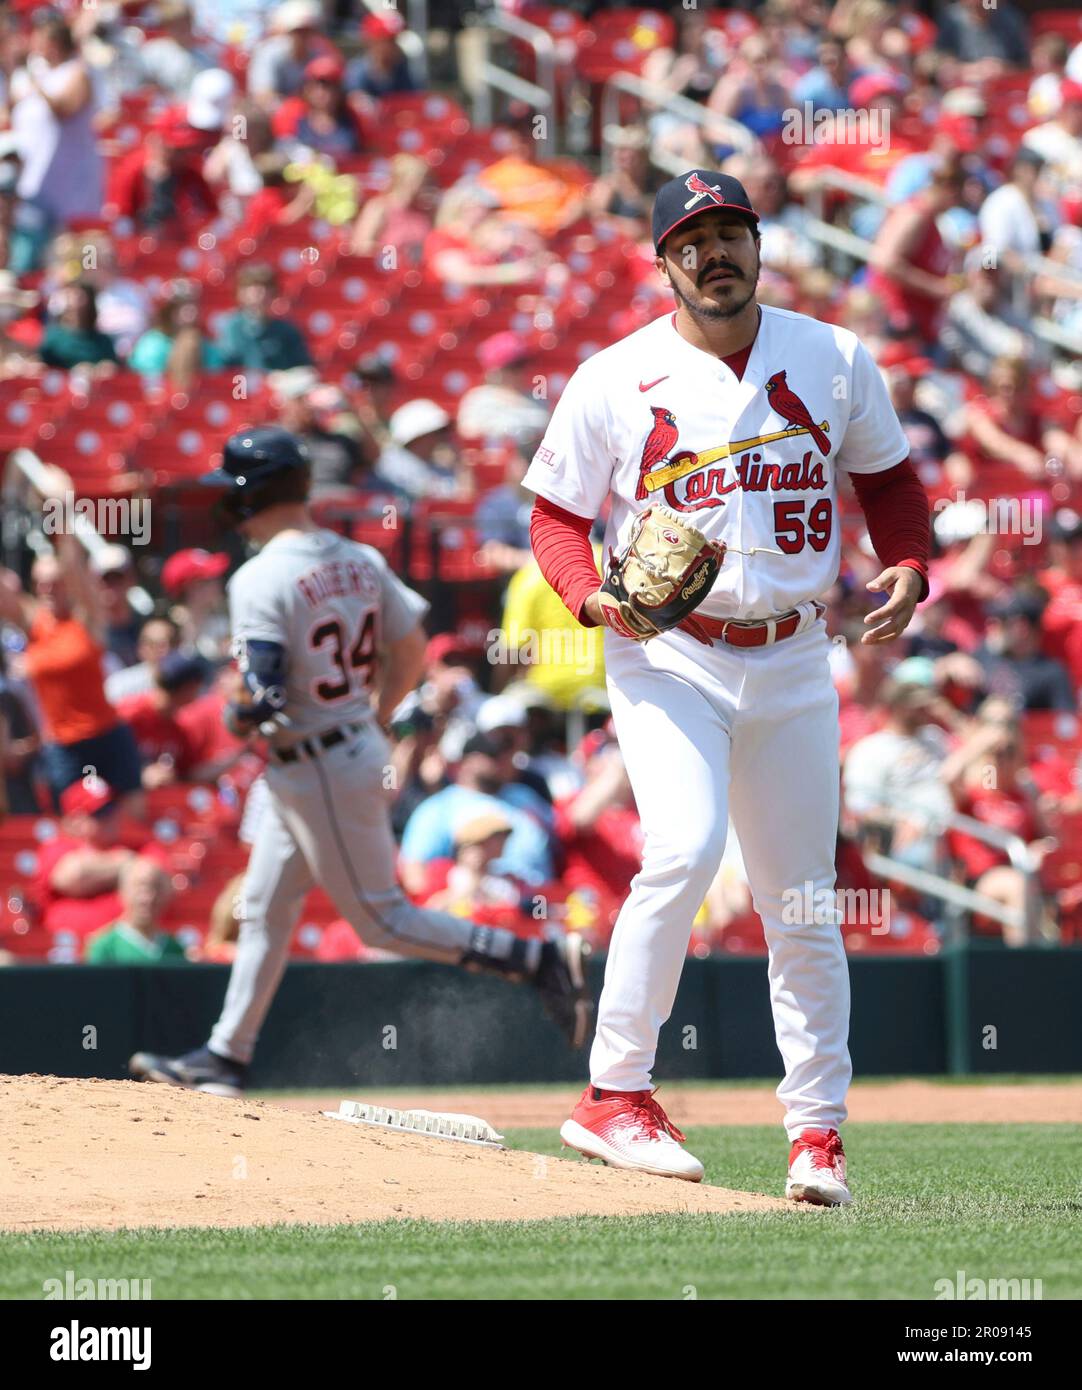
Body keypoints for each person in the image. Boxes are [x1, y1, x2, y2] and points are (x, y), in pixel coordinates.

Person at [522, 169, 930, 1200]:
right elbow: (556, 516)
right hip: (667, 651)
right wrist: (588, 600)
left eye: (728, 233)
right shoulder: (616, 375)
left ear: (756, 244)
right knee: (685, 846)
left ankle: (815, 1135)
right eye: (690, 239)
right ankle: (612, 1091)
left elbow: (887, 481)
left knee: (800, 901)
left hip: (794, 651)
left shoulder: (830, 356)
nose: (713, 253)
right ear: (661, 263)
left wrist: (909, 562)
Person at [128, 426, 589, 1098]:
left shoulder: (258, 576)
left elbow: (257, 700)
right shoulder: (359, 559)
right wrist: (372, 716)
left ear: (248, 494)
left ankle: (536, 957)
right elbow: (410, 651)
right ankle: (226, 1056)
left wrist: (231, 712)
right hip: (338, 750)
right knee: (263, 908)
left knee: (381, 919)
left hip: (316, 760)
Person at [0, 507, 143, 808]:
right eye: (41, 584)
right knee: (79, 825)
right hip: (65, 746)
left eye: (56, 582)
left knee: (130, 816)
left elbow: (74, 563)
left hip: (107, 737)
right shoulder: (33, 627)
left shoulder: (86, 620)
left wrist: (61, 511)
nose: (49, 590)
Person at [7, 12, 103, 273]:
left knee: (74, 257)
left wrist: (37, 84)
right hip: (32, 181)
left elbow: (64, 108)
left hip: (71, 182)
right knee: (26, 257)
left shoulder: (76, 72)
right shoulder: (33, 74)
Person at [214, 263, 312, 372]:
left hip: (281, 386)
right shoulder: (232, 327)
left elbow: (304, 367)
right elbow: (225, 367)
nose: (261, 292)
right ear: (240, 293)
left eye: (266, 286)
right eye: (252, 286)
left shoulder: (287, 330)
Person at [85, 858, 185, 964]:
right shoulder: (106, 947)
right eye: (139, 888)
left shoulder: (175, 949)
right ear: (122, 892)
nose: (147, 898)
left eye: (155, 887)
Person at [39, 280, 119, 371]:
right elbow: (45, 370)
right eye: (70, 297)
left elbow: (113, 368)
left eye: (80, 298)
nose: (75, 304)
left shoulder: (103, 341)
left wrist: (104, 368)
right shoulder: (54, 338)